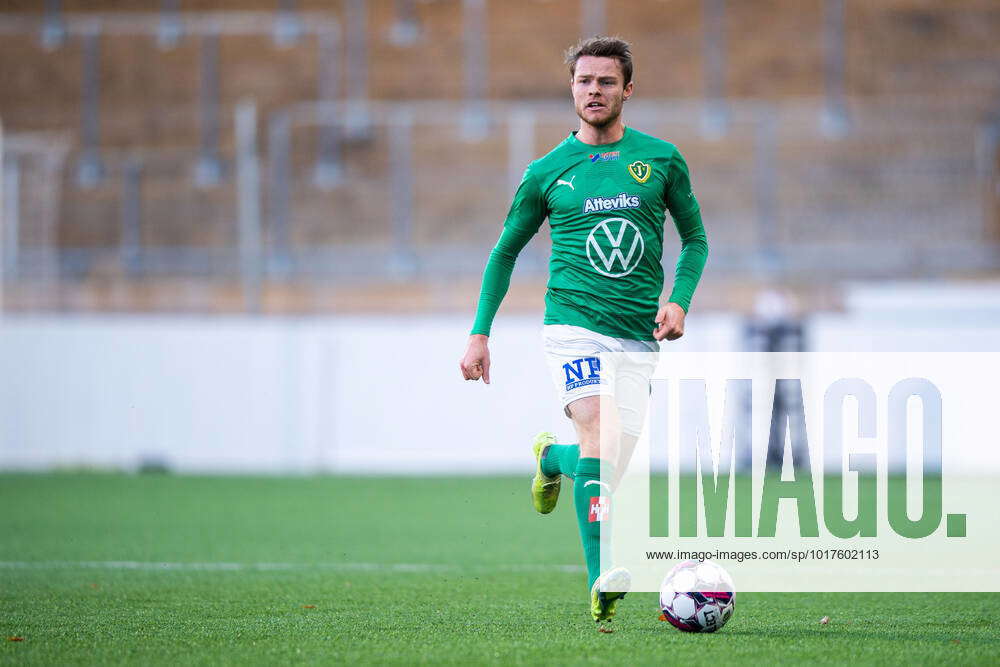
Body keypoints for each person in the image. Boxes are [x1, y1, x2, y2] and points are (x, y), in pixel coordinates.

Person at [459, 36, 708, 630]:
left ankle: (551, 458)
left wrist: (678, 301)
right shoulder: (548, 171)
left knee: (608, 461)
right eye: (583, 81)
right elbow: (505, 252)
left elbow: (696, 240)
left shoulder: (662, 160)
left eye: (604, 81)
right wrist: (479, 333)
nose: (593, 91)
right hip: (571, 328)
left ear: (627, 88)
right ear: (571, 88)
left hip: (638, 337)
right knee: (597, 424)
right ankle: (602, 578)